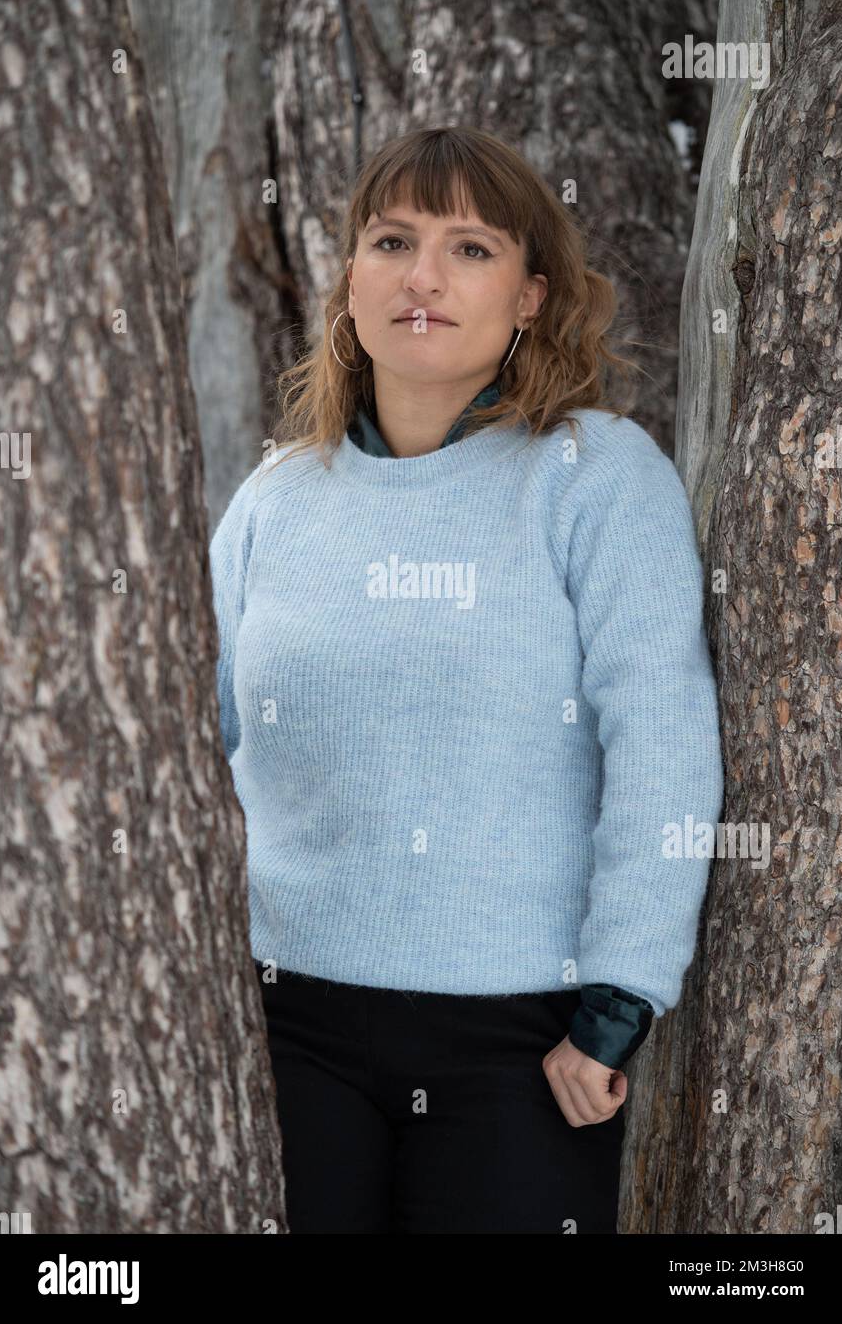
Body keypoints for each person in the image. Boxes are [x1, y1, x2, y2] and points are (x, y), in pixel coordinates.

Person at [208, 125, 724, 1234]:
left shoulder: (591, 477)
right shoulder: (274, 501)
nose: (422, 276)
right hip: (281, 1024)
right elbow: (193, 749)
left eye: (470, 249)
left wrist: (618, 1002)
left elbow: (664, 741)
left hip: (522, 1042)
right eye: (391, 240)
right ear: (350, 276)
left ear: (532, 296)